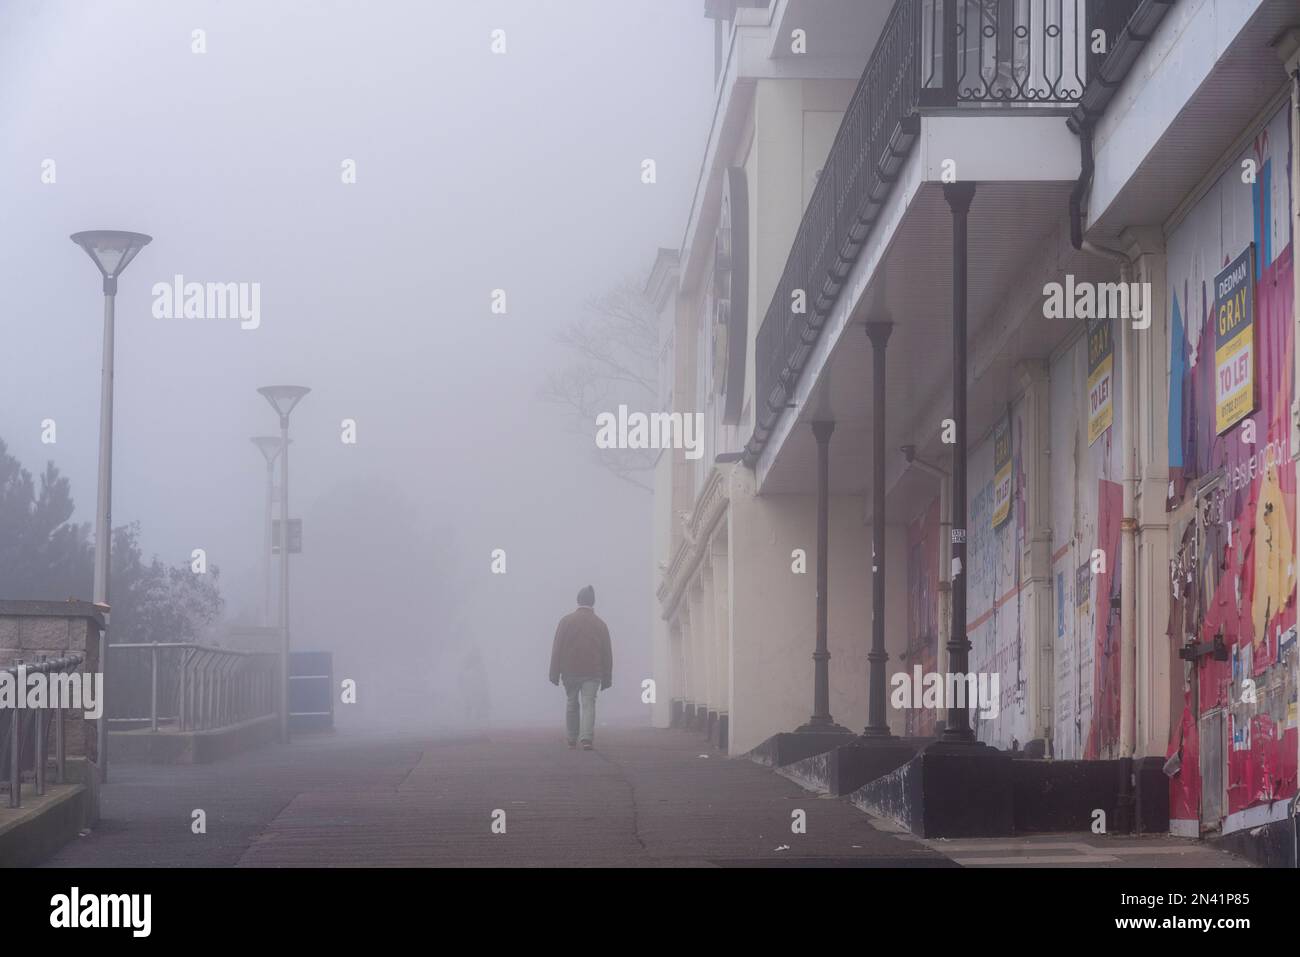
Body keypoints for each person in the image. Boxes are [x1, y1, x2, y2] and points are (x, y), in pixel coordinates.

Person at [548, 585, 612, 750]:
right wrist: (607, 677)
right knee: (589, 703)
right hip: (593, 671)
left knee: (571, 702)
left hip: (570, 671)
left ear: (578, 600)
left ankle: (571, 738)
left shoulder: (566, 621)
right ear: (593, 602)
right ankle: (586, 739)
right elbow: (607, 653)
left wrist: (554, 673)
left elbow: (557, 648)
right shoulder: (601, 624)